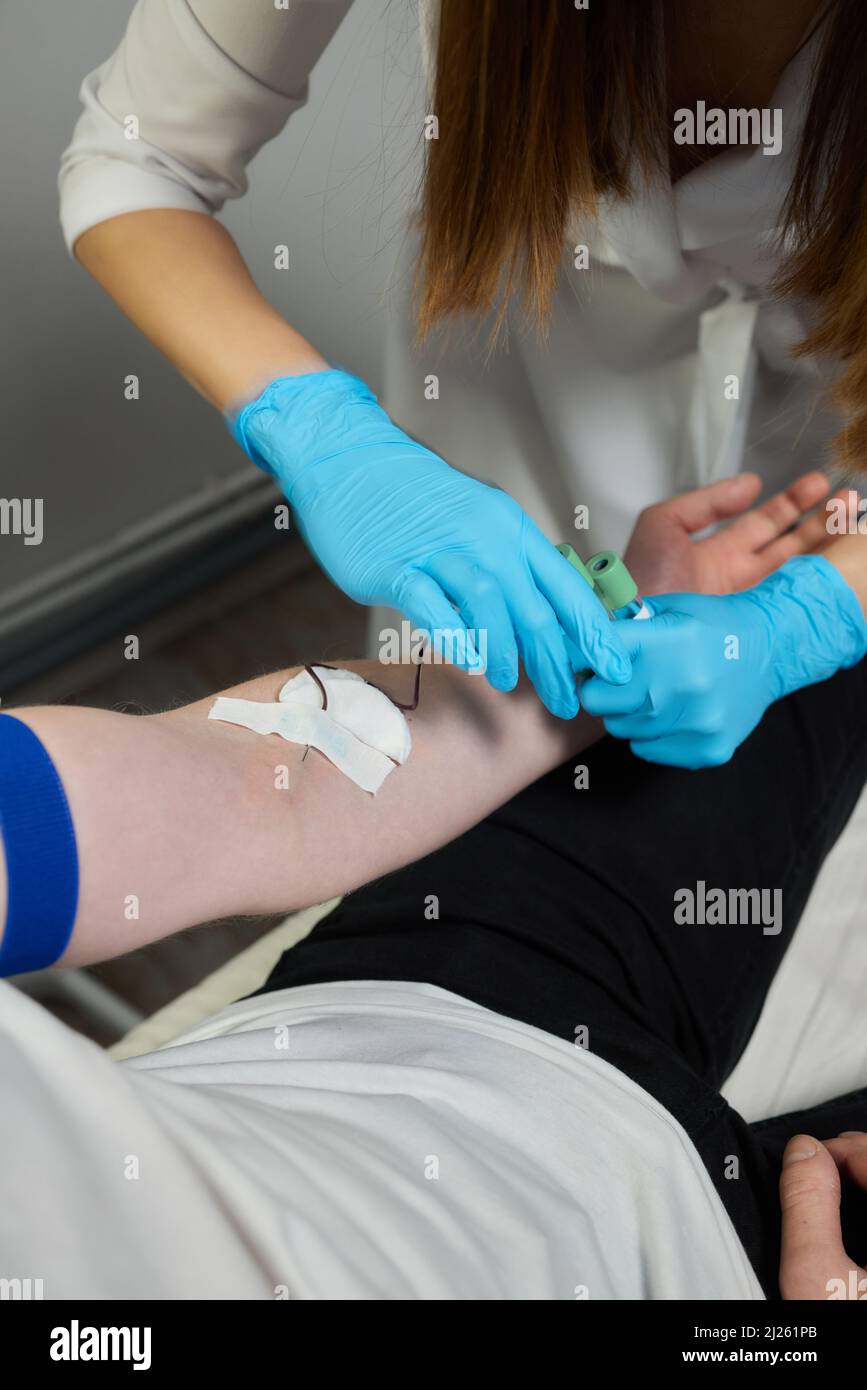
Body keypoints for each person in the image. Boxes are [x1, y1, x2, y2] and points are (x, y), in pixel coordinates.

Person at [2, 474, 866, 1299]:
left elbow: (271, 781)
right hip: (717, 1266)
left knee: (804, 635)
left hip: (413, 1025)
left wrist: (601, 644)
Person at [58, 0, 867, 755]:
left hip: (832, 445)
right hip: (508, 390)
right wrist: (318, 429)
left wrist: (811, 619)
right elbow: (136, 159)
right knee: (462, 755)